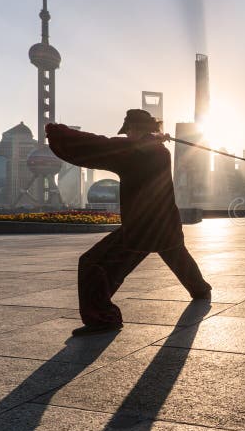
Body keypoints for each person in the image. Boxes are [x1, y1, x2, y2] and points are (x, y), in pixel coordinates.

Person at [46, 109, 212, 336]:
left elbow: (98, 145)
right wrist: (151, 140)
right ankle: (200, 290)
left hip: (142, 229)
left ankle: (103, 318)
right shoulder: (159, 152)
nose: (125, 136)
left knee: (92, 264)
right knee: (177, 256)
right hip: (166, 225)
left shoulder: (133, 153)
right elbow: (119, 147)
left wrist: (59, 133)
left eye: (128, 131)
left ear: (136, 129)